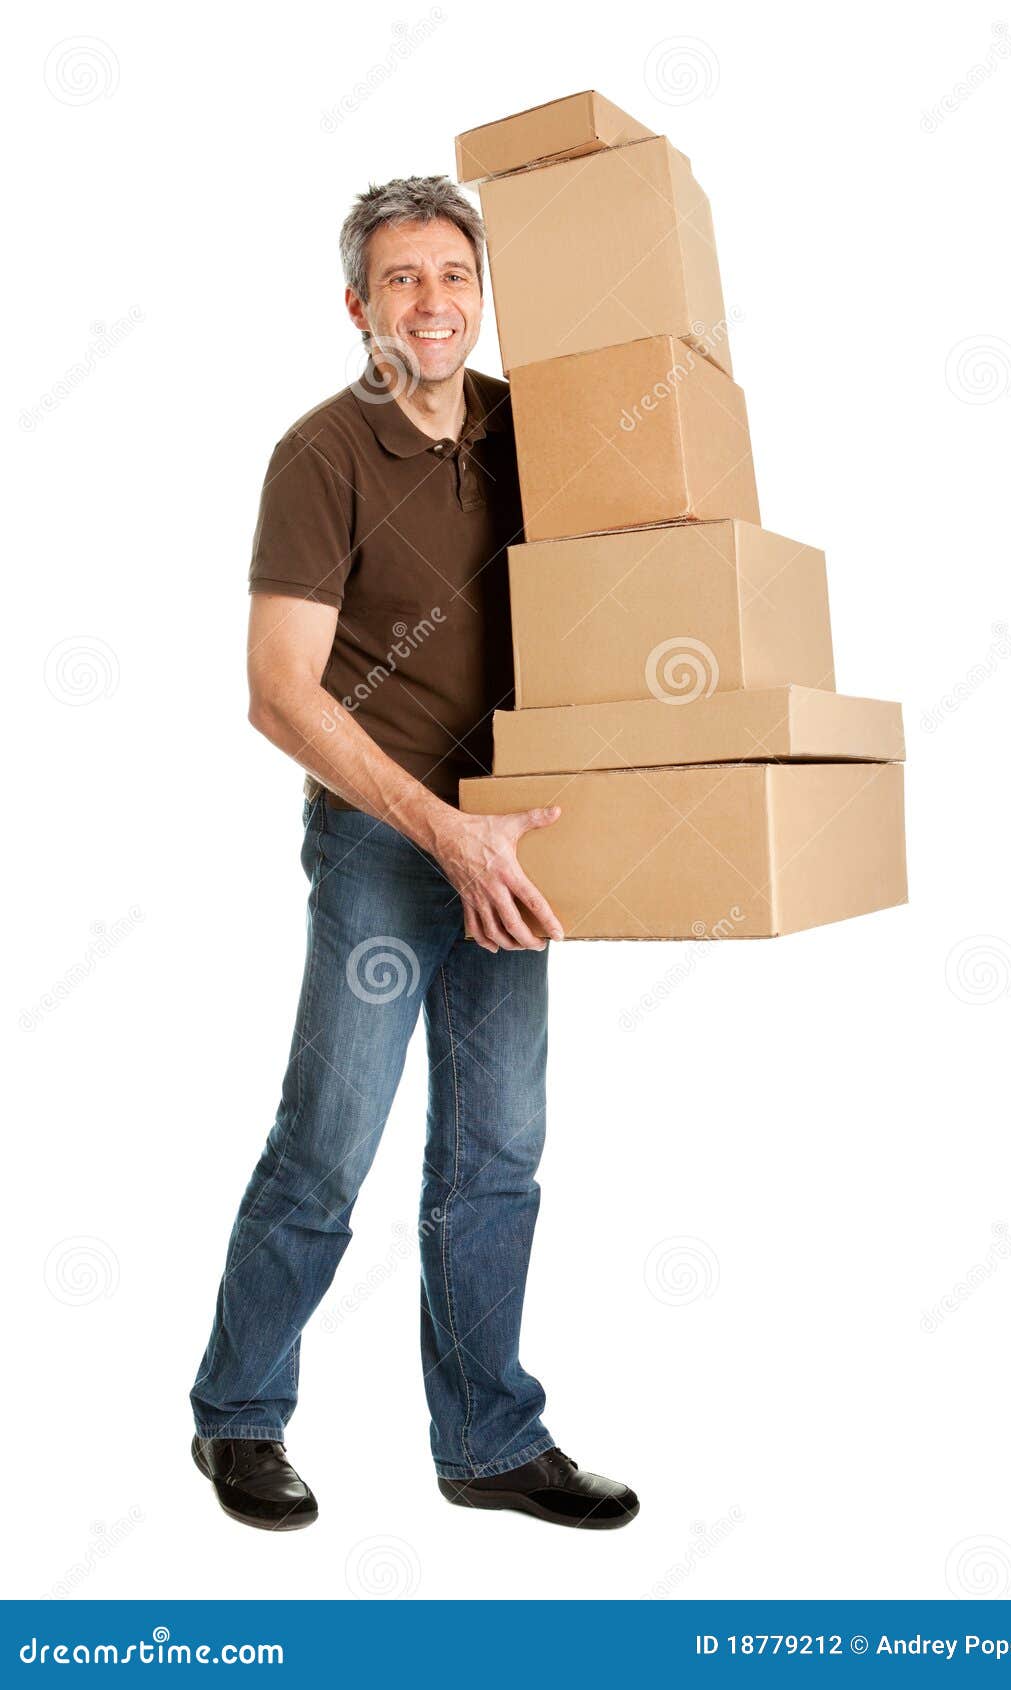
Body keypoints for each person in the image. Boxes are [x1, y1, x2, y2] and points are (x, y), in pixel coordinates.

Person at [188, 176, 639, 1533]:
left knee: (499, 1145)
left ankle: (488, 1438)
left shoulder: (529, 428)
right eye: (399, 280)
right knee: (331, 1139)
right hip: (390, 841)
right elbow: (279, 690)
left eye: (452, 275)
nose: (430, 303)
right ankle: (239, 1416)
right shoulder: (320, 456)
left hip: (514, 834)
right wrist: (435, 825)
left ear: (480, 291)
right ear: (356, 305)